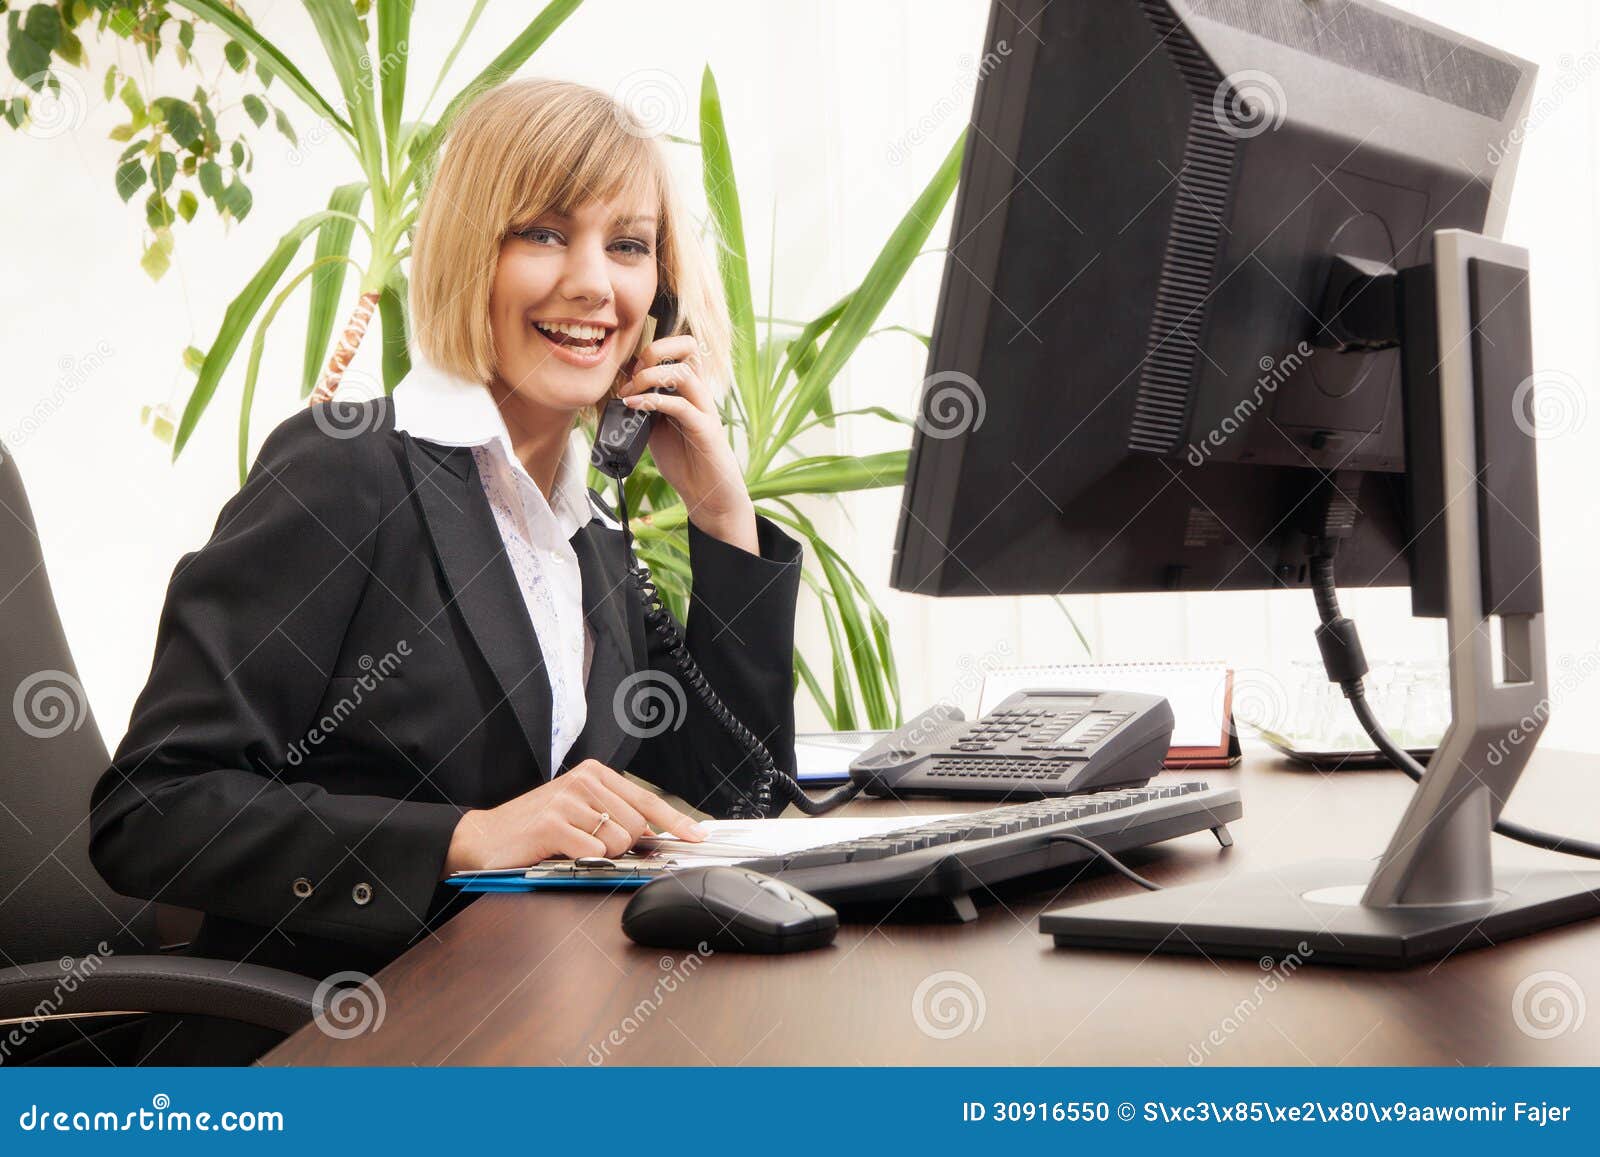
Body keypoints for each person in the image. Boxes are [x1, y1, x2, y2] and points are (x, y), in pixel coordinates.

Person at [88, 79, 803, 1057]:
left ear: (660, 298)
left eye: (629, 246)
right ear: (474, 254)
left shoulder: (583, 527)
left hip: (531, 1020)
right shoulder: (347, 469)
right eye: (545, 233)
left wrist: (723, 517)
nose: (596, 283)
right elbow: (154, 811)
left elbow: (733, 798)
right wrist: (464, 838)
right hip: (330, 1046)